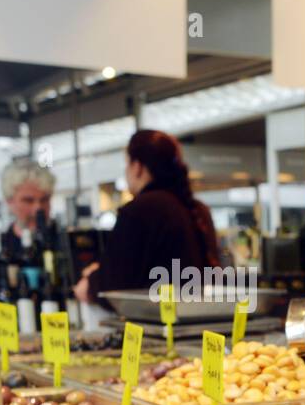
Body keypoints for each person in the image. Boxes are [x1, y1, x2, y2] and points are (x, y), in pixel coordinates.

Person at [75, 130, 220, 304]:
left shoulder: (140, 210)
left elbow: (116, 285)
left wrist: (90, 283)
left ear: (137, 167)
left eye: (127, 164)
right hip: (202, 321)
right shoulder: (199, 210)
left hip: (158, 324)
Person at [2, 159, 55, 241]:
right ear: (10, 202)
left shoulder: (68, 242)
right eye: (28, 201)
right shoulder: (3, 246)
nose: (38, 208)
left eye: (44, 199)